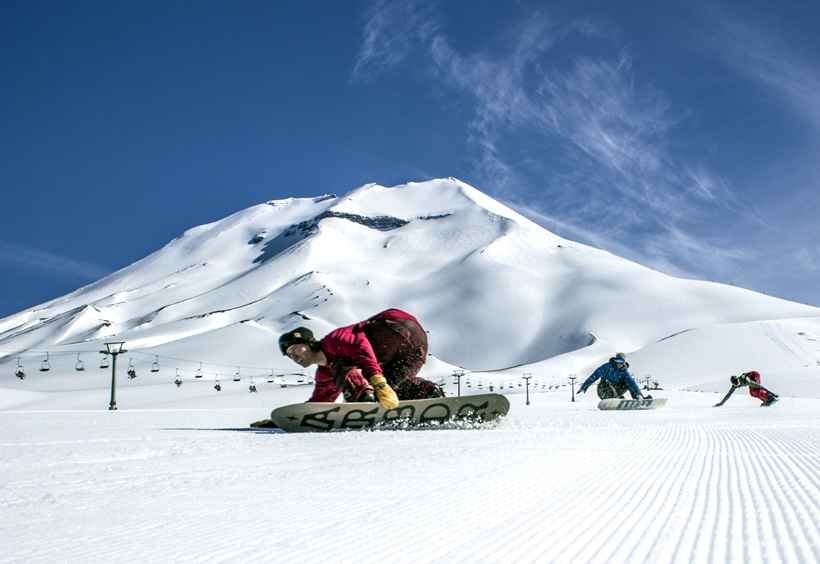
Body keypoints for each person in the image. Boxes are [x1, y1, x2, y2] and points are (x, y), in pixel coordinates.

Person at [251, 308, 444, 428]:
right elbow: (320, 403)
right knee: (393, 388)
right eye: (289, 355)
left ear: (309, 342)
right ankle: (428, 393)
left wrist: (377, 382)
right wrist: (284, 420)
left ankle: (364, 397)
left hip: (393, 326)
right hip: (415, 349)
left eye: (294, 349)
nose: (293, 356)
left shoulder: (334, 340)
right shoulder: (324, 373)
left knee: (347, 367)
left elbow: (362, 349)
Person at [577, 353, 646, 400]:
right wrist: (584, 387)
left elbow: (632, 382)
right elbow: (594, 376)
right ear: (615, 361)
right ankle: (614, 397)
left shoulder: (624, 371)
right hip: (604, 391)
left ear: (624, 363)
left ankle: (637, 397)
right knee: (607, 381)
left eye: (621, 362)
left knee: (628, 382)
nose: (619, 364)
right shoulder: (607, 367)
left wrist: (639, 394)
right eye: (617, 361)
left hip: (617, 390)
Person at [713, 371, 778, 407]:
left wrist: (772, 393)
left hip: (755, 375)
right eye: (735, 384)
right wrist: (721, 403)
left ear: (738, 380)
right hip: (750, 377)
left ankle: (770, 398)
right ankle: (765, 400)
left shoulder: (746, 380)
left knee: (755, 390)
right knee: (752, 393)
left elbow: (759, 386)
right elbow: (728, 395)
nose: (737, 385)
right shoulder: (734, 386)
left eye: (738, 383)